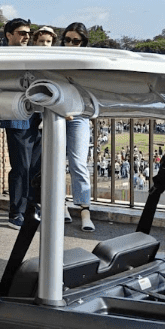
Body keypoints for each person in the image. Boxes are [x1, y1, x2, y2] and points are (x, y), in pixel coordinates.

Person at [0, 18, 39, 227]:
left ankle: (30, 208)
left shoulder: (32, 55)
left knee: (34, 167)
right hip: (16, 117)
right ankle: (16, 213)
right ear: (9, 35)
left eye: (28, 33)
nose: (26, 37)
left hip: (36, 119)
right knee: (21, 167)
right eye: (22, 33)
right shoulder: (1, 57)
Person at [61, 22, 95, 232]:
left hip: (80, 116)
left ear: (83, 43)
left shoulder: (88, 62)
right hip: (56, 115)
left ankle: (85, 210)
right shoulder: (55, 60)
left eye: (76, 41)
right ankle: (61, 205)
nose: (70, 44)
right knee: (54, 163)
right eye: (67, 40)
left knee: (78, 163)